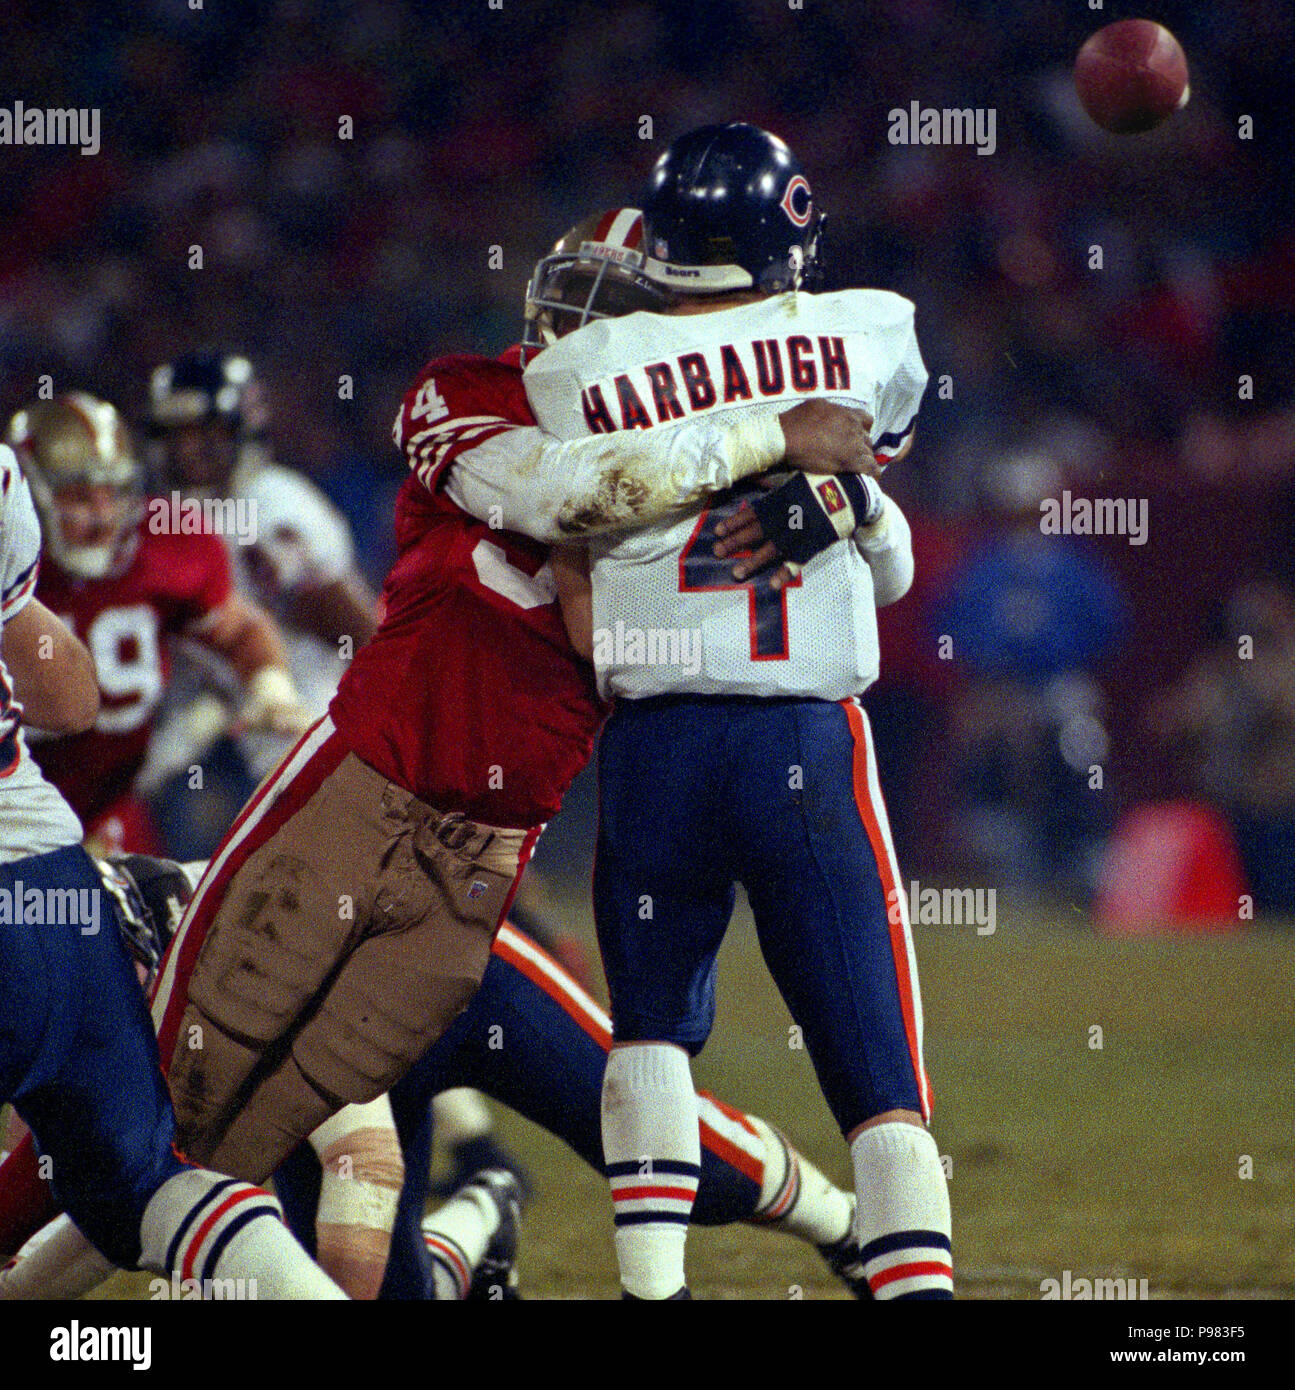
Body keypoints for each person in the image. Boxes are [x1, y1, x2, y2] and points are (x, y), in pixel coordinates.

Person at [148, 205, 875, 1199]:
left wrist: (814, 487)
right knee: (178, 1079)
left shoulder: (708, 452)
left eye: (623, 305)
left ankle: (497, 1203)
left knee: (306, 1122)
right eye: (584, 295)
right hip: (367, 772)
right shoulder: (468, 390)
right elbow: (558, 497)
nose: (588, 326)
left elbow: (606, 633)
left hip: (491, 839)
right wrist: (760, 433)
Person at [522, 125, 952, 1300]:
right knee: (877, 1066)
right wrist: (847, 504)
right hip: (801, 736)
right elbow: (894, 560)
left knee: (649, 1031)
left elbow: (583, 498)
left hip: (656, 745)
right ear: (787, 224)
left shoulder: (574, 375)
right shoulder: (860, 332)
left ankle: (650, 1292)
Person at [0, 442, 343, 1299]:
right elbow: (70, 700)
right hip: (47, 877)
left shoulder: (169, 547)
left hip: (68, 854)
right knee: (144, 1183)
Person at [8, 392, 312, 857]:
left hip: (111, 812)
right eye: (78, 497)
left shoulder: (165, 541)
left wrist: (270, 689)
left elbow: (239, 630)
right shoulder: (11, 566)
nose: (102, 515)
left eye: (113, 492)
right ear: (26, 494)